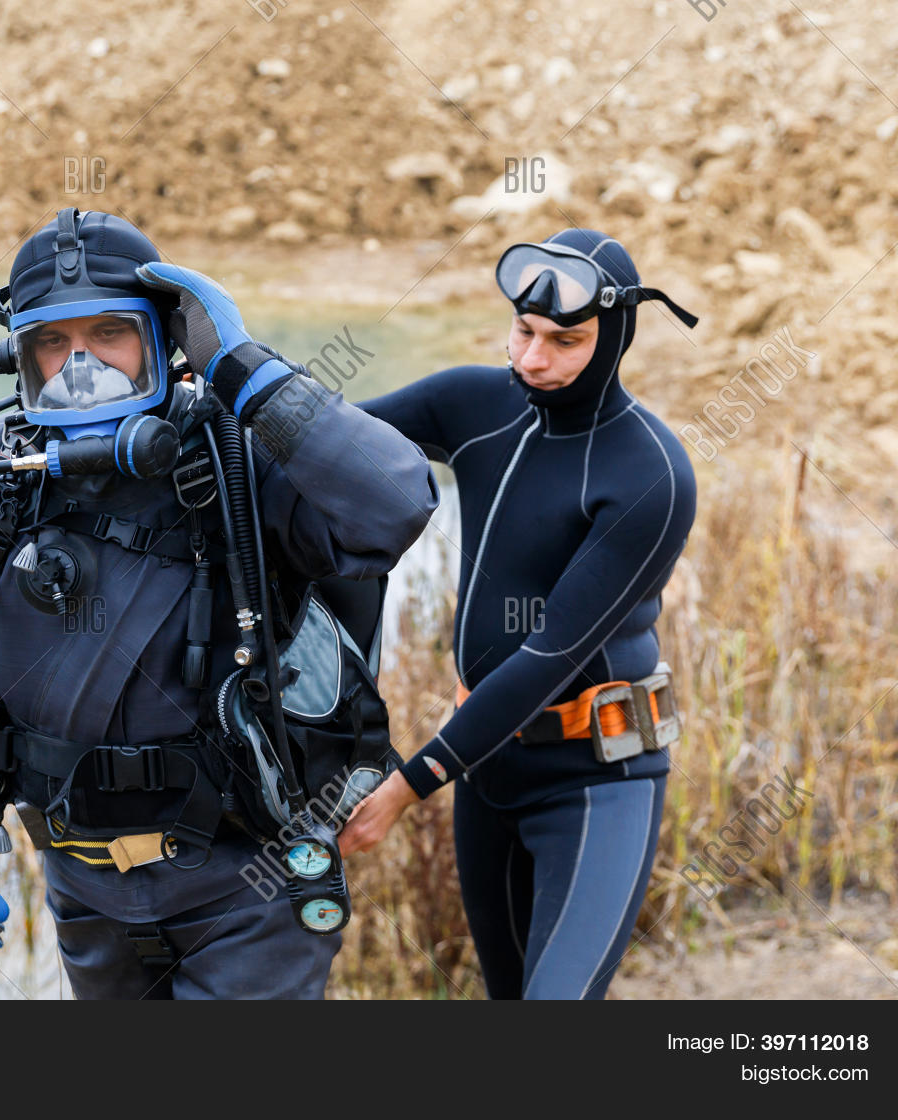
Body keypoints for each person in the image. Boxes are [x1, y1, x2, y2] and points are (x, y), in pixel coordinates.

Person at [0, 207, 437, 999]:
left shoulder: (242, 457)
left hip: (251, 884)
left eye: (109, 335)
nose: (80, 366)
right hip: (82, 892)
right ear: (18, 357)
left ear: (165, 342)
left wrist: (246, 371)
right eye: (53, 344)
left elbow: (396, 502)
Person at [342, 229, 698, 1000]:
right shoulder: (473, 403)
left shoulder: (651, 474)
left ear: (614, 339)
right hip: (489, 769)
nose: (532, 359)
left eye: (565, 340)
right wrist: (217, 376)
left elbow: (547, 656)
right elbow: (326, 440)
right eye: (523, 331)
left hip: (598, 781)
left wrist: (408, 785)